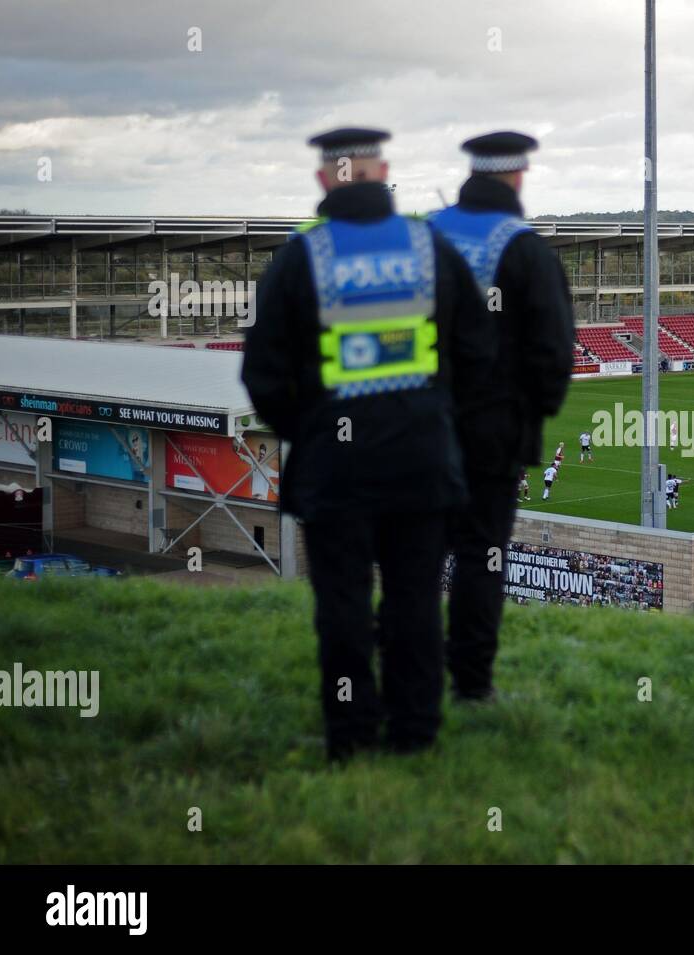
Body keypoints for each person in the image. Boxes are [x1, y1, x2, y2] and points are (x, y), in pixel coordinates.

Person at [241, 127, 493, 760]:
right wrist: (438, 418)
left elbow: (263, 374)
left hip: (337, 467)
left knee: (344, 607)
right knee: (413, 602)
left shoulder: (302, 257)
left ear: (325, 178)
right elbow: (477, 352)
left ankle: (351, 738)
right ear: (383, 170)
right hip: (422, 462)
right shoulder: (429, 246)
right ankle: (415, 733)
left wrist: (315, 431)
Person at [431, 131, 574, 703]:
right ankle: (471, 684)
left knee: (415, 552)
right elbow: (553, 352)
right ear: (517, 176)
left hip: (414, 425)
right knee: (481, 555)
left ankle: (402, 663)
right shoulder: (524, 248)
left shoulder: (423, 235)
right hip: (491, 433)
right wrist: (527, 419)